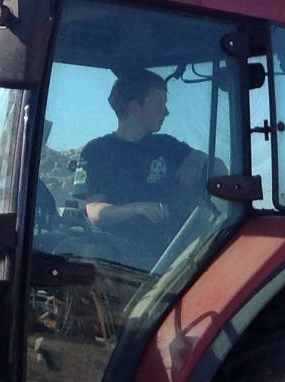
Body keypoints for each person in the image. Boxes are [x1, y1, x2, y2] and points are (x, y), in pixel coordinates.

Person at [78, 70, 212, 268]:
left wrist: (196, 159)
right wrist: (138, 208)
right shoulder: (96, 152)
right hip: (121, 264)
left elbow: (221, 168)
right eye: (159, 104)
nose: (166, 112)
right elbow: (96, 213)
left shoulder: (169, 146)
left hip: (179, 261)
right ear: (135, 107)